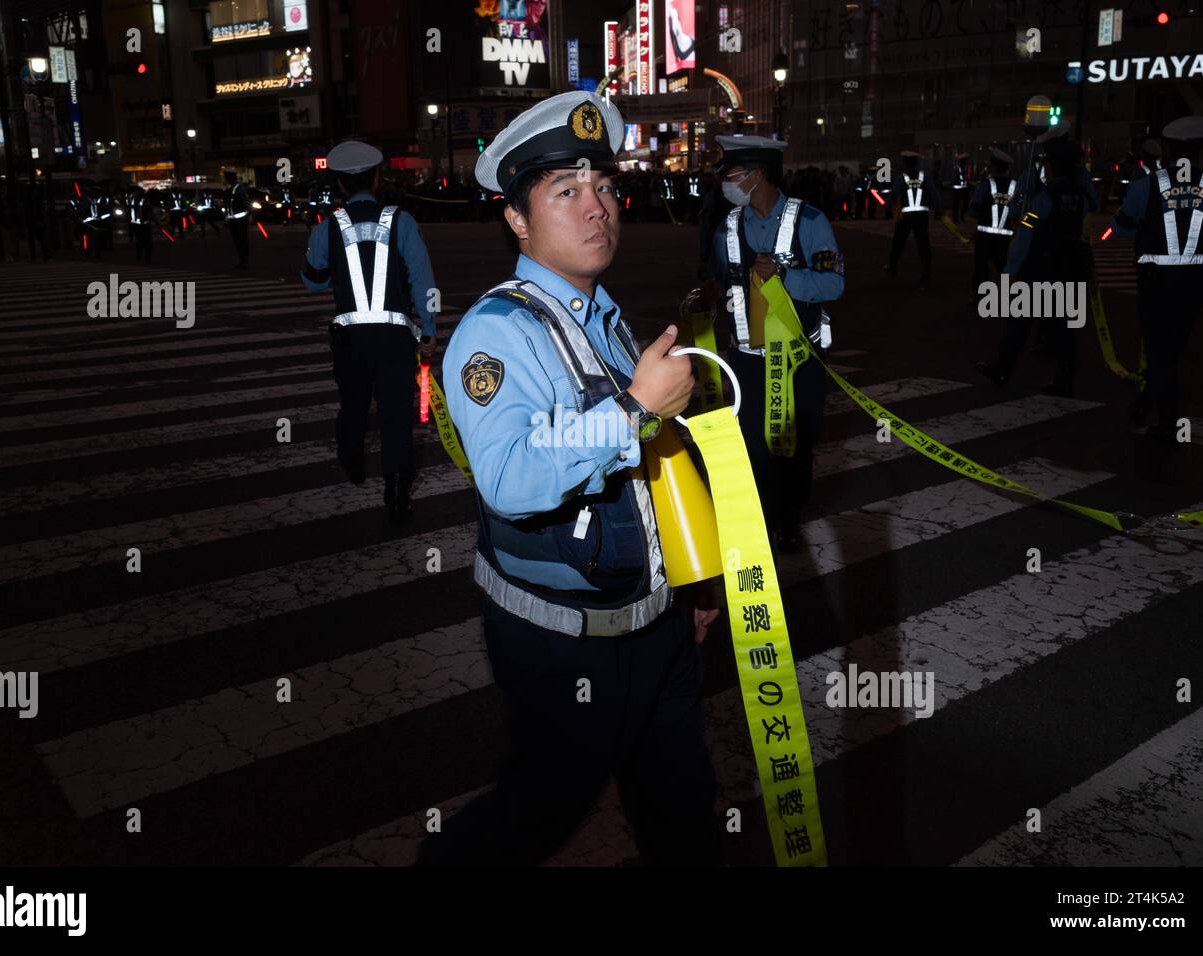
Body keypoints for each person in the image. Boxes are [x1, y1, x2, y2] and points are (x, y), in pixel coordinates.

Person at [415, 90, 723, 867]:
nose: (598, 209)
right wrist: (633, 409)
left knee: (682, 811)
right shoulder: (498, 330)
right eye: (566, 192)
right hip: (564, 644)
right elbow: (511, 478)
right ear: (517, 219)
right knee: (532, 816)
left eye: (606, 189)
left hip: (655, 625)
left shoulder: (604, 313)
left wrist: (687, 590)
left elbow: (648, 472)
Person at [707, 134, 845, 552]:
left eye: (731, 176)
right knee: (752, 444)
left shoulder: (810, 222)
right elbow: (723, 281)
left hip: (798, 358)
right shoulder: (726, 227)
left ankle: (789, 518)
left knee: (797, 444)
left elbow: (834, 284)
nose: (725, 185)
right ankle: (763, 518)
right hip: (747, 358)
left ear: (756, 175)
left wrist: (785, 278)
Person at [299, 139, 439, 521]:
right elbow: (424, 279)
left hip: (350, 340)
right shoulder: (402, 221)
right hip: (395, 337)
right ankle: (396, 490)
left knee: (354, 405)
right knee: (397, 412)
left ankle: (352, 460)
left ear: (340, 185)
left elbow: (313, 281)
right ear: (377, 179)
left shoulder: (327, 227)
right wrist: (429, 328)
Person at [1112, 116, 1203, 440]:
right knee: (1173, 349)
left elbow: (1122, 225)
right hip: (1193, 283)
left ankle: (1167, 423)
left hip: (1155, 281)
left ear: (1167, 149)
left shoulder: (1147, 185)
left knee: (1158, 349)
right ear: (1202, 149)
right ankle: (1149, 401)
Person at [976, 136, 1088, 396]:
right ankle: (1064, 380)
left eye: (1047, 163)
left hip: (1040, 268)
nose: (1045, 168)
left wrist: (1010, 271)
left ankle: (1002, 368)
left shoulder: (1045, 198)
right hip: (1067, 267)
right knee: (1064, 329)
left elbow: (1026, 233)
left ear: (1053, 166)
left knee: (1020, 323)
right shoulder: (1077, 195)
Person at [884, 150, 941, 288]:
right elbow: (934, 194)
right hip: (921, 215)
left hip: (906, 216)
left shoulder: (902, 178)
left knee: (899, 241)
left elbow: (893, 194)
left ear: (905, 163)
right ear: (916, 162)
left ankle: (893, 265)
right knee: (923, 243)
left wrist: (888, 209)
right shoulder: (924, 176)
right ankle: (926, 271)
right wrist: (938, 210)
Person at [969, 147, 1019, 298]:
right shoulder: (1015, 186)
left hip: (984, 234)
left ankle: (981, 296)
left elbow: (974, 208)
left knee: (981, 267)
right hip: (1005, 236)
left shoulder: (986, 184)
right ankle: (1012, 297)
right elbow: (1019, 210)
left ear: (995, 167)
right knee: (1004, 266)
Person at [223, 170, 249, 268]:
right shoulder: (230, 188)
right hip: (234, 219)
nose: (225, 179)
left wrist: (247, 213)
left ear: (231, 178)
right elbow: (228, 205)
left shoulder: (238, 188)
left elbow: (244, 203)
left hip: (240, 219)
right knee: (237, 241)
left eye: (226, 177)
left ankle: (244, 260)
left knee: (241, 240)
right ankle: (242, 260)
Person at [126, 185, 153, 263]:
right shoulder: (141, 199)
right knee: (145, 241)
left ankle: (141, 256)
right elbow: (149, 211)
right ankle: (144, 256)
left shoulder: (134, 199)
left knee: (140, 241)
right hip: (142, 224)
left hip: (139, 223)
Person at [950, 151, 971, 221]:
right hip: (958, 189)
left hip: (962, 188)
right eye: (965, 160)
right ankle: (956, 217)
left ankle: (959, 216)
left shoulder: (962, 167)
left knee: (963, 202)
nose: (966, 161)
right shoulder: (958, 167)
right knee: (956, 204)